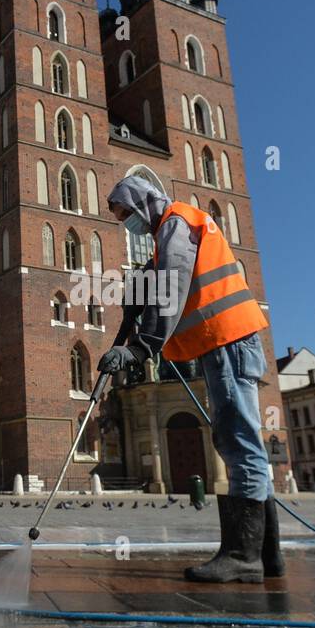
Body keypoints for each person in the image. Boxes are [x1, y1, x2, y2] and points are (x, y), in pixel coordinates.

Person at [97, 174, 285, 583]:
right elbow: (162, 274)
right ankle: (266, 557)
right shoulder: (177, 226)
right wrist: (138, 289)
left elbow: (174, 283)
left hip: (227, 341)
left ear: (143, 202)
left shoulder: (176, 224)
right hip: (225, 343)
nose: (129, 224)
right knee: (240, 440)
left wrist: (141, 347)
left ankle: (243, 556)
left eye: (128, 214)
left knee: (238, 442)